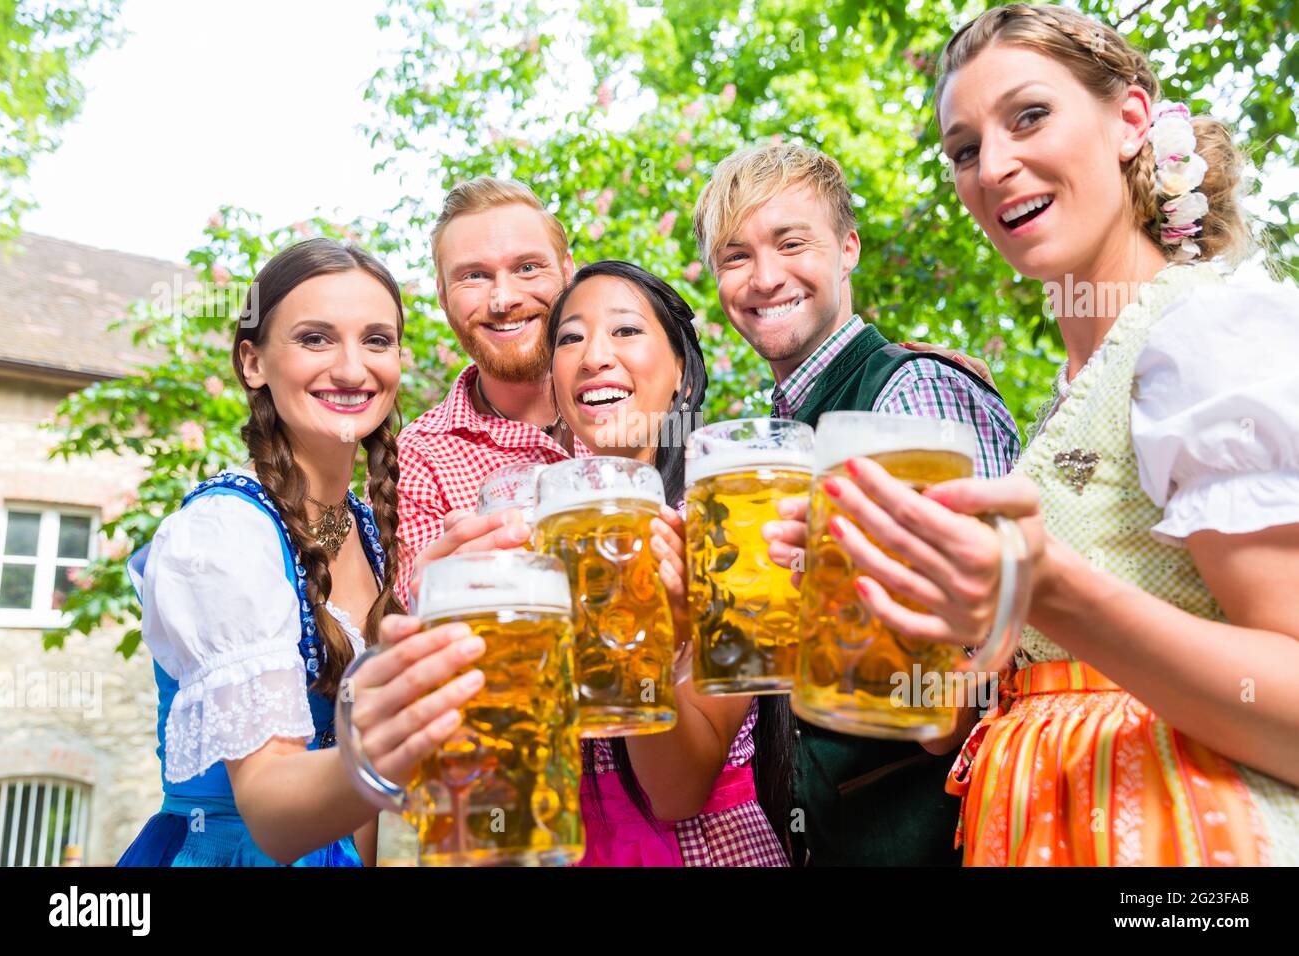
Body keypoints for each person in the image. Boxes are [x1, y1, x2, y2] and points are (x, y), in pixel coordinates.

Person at [774, 3, 1299, 865]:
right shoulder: (1067, 400)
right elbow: (963, 723)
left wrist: (1041, 585)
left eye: (1029, 116)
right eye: (965, 150)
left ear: (1131, 120)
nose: (996, 166)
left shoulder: (1211, 332)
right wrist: (891, 610)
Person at [691, 143, 1023, 865]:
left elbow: (1001, 654)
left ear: (848, 249)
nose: (766, 275)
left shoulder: (910, 391)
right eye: (735, 255)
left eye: (791, 242)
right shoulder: (777, 437)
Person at [118, 239, 487, 866]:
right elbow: (273, 818)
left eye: (376, 340)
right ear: (253, 361)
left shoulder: (366, 530)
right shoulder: (222, 534)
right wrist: (397, 746)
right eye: (315, 339)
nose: (351, 369)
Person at [545, 260, 788, 865]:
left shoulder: (729, 521)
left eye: (625, 331)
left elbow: (678, 792)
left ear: (681, 371)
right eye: (570, 337)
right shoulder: (536, 532)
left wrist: (656, 645)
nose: (594, 355)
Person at [395, 177, 582, 609]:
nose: (504, 299)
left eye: (527, 268)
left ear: (567, 272)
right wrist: (434, 597)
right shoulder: (416, 460)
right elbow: (412, 613)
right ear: (442, 295)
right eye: (474, 276)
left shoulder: (631, 401)